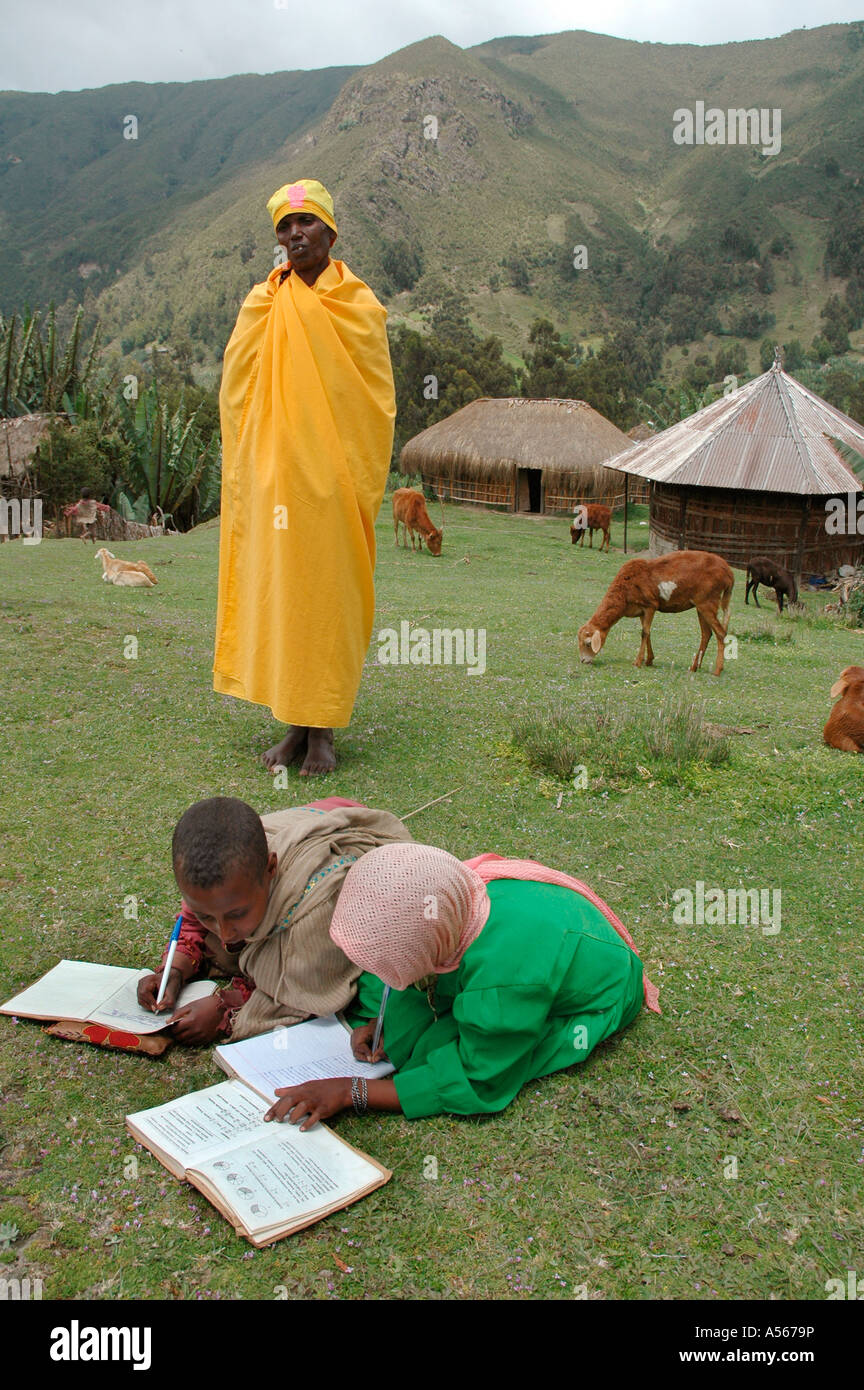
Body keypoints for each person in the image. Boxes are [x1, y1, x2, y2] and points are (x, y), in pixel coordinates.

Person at [263, 844, 660, 1130]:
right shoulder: (449, 898)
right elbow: (399, 971)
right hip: (522, 951)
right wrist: (376, 1017)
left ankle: (543, 1025)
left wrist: (352, 1092)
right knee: (403, 1035)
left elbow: (476, 1075)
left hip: (596, 995)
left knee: (451, 1056)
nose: (385, 980)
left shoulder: (506, 977)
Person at [213, 178, 396, 777]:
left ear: (330, 230)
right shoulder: (262, 303)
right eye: (285, 227)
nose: (295, 235)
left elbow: (373, 400)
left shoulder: (358, 306)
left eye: (306, 223)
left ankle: (325, 733)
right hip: (277, 486)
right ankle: (295, 728)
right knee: (288, 600)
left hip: (334, 485)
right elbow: (237, 392)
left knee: (329, 601)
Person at [136, 796, 412, 1044]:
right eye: (207, 916)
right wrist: (174, 970)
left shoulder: (318, 903)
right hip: (304, 820)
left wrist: (226, 1008)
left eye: (236, 914)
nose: (225, 933)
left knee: (370, 991)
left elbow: (301, 992)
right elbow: (192, 921)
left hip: (342, 826)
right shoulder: (221, 874)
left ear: (271, 869)